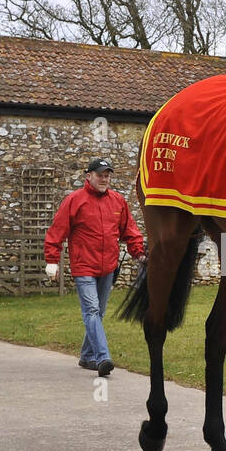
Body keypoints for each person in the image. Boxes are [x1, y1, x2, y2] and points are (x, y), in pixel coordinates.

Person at [44, 159, 146, 377]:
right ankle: (102, 357)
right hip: (84, 267)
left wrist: (139, 254)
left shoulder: (117, 201)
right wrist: (52, 260)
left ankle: (86, 356)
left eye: (107, 175)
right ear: (88, 176)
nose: (104, 179)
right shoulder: (74, 200)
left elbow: (130, 230)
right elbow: (56, 232)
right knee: (91, 310)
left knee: (98, 312)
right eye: (100, 175)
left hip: (108, 267)